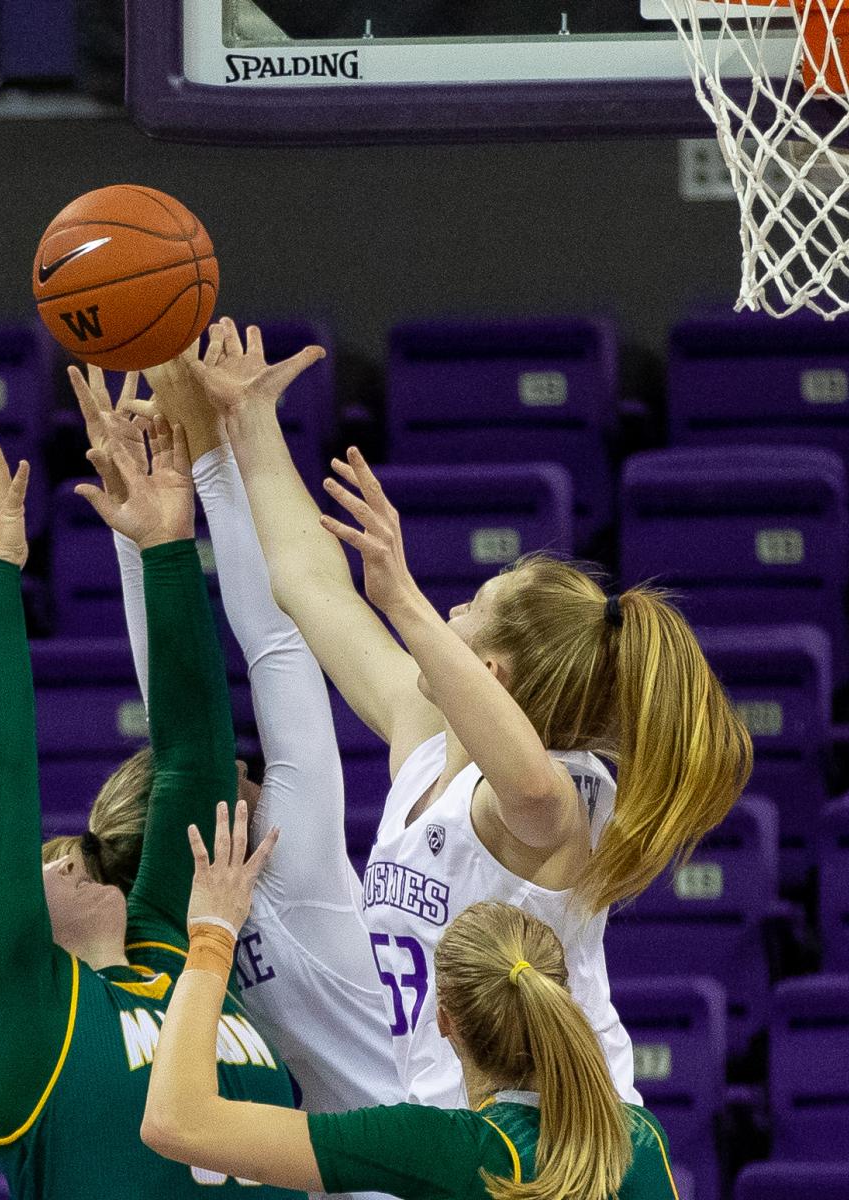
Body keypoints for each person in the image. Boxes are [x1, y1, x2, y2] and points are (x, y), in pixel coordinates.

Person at [173, 316, 753, 1107]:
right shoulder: (425, 744)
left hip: (569, 1138)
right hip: (461, 1127)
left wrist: (403, 601)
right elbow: (310, 585)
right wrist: (251, 423)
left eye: (468, 607)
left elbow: (531, 788)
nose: (446, 611)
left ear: (486, 673)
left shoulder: (558, 797)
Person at [0, 422, 300, 1200]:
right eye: (46, 865)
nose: (67, 860)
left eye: (71, 857)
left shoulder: (170, 944)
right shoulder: (12, 1006)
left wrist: (167, 548)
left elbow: (195, 757)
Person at [68, 354, 402, 1132]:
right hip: (437, 1166)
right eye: (230, 769)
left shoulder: (173, 937)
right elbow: (277, 645)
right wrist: (214, 466)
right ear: (220, 808)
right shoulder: (289, 871)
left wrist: (138, 532)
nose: (239, 758)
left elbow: (178, 723)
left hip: (327, 1174)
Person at [139, 801, 680, 1200]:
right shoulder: (641, 1137)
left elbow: (176, 1121)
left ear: (444, 1021)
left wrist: (212, 934)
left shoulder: (440, 1147)